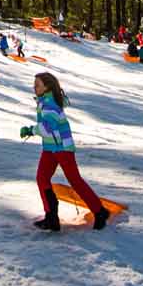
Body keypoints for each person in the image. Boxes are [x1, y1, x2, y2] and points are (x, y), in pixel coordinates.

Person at [20, 72, 109, 231]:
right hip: (50, 147)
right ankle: (51, 217)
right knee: (42, 178)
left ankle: (100, 211)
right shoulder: (44, 101)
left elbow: (48, 128)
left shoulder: (50, 104)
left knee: (75, 180)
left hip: (62, 148)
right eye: (34, 85)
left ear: (47, 87)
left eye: (37, 85)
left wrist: (30, 130)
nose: (34, 88)